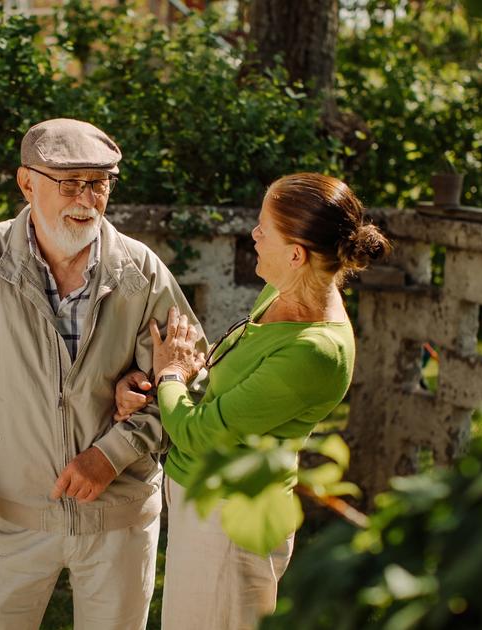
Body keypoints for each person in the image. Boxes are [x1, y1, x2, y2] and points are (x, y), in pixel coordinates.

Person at [0, 118, 203, 630]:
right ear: (27, 183)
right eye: (69, 183)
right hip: (14, 516)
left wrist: (113, 454)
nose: (86, 199)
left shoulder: (142, 271)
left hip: (120, 520)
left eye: (99, 183)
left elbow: (190, 376)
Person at [115, 172, 390, 630]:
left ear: (297, 254)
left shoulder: (314, 350)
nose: (254, 234)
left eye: (264, 228)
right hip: (206, 506)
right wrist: (153, 389)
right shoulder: (283, 291)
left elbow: (198, 434)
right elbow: (225, 385)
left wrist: (169, 376)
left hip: (231, 525)